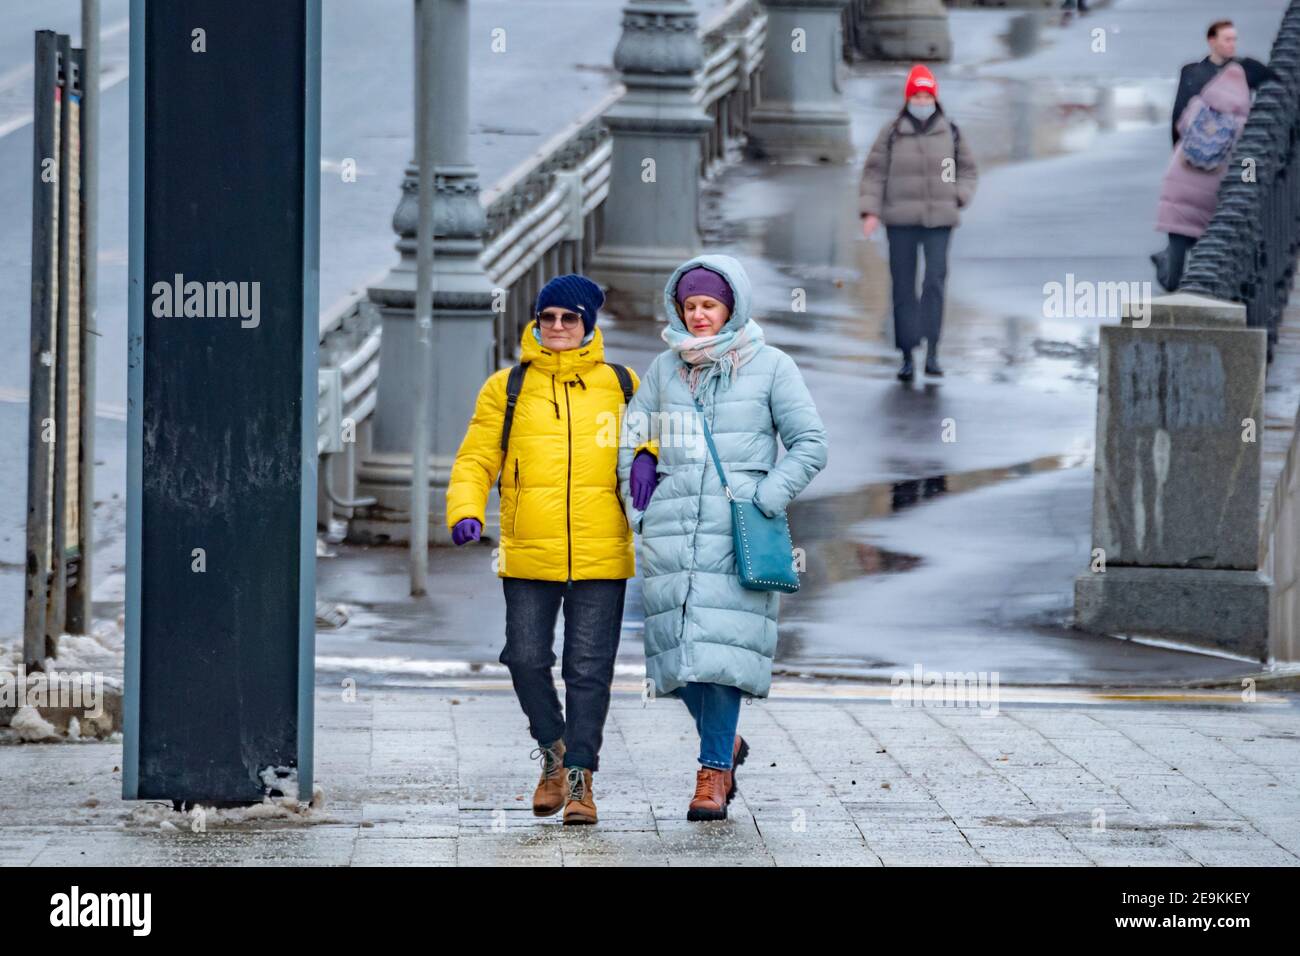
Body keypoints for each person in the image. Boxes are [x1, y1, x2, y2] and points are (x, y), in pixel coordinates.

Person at [617, 255, 828, 821]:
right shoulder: (665, 368)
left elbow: (810, 443)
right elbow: (634, 429)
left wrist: (766, 495)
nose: (700, 315)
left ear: (732, 306)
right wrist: (637, 466)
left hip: (736, 534)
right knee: (680, 660)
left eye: (709, 304)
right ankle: (727, 745)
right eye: (690, 306)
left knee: (723, 657)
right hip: (672, 532)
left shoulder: (772, 366)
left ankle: (711, 773)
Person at [445, 274, 639, 826]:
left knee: (589, 668)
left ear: (587, 326)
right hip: (528, 549)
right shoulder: (506, 387)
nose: (555, 327)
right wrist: (465, 508)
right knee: (525, 658)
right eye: (547, 317)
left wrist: (648, 458)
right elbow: (476, 458)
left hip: (603, 550)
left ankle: (579, 779)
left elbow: (651, 441)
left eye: (568, 318)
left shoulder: (622, 384)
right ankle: (551, 747)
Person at [858, 64, 978, 382]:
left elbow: (967, 169)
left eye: (927, 95)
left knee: (934, 283)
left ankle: (934, 352)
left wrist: (959, 196)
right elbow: (874, 172)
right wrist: (871, 212)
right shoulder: (893, 131)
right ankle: (908, 355)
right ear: (908, 98)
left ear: (935, 98)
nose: (922, 101)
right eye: (917, 95)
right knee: (903, 286)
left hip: (940, 220)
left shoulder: (950, 131)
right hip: (900, 220)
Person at [1152, 61, 1251, 291]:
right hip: (1211, 188)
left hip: (1178, 180)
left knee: (1177, 234)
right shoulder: (1242, 124)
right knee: (1208, 240)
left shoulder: (1197, 106)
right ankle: (1202, 284)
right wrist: (1250, 181)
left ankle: (1171, 278)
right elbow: (1248, 158)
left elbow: (1181, 127)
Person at [1171, 20, 1274, 148]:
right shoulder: (1191, 72)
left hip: (1239, 146)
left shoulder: (1248, 67)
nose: (1232, 45)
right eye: (1227, 40)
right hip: (1203, 146)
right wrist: (1177, 150)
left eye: (1234, 40)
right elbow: (1179, 113)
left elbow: (1278, 88)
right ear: (1212, 41)